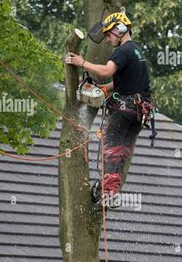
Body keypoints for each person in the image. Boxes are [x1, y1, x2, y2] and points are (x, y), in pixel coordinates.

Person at [65, 12, 154, 210]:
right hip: (139, 113)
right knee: (121, 152)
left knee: (111, 150)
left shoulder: (122, 51)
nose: (107, 38)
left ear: (119, 29)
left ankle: (110, 195)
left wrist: (82, 63)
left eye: (109, 34)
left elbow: (106, 71)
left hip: (124, 109)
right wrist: (106, 88)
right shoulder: (135, 51)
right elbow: (124, 80)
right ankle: (110, 190)